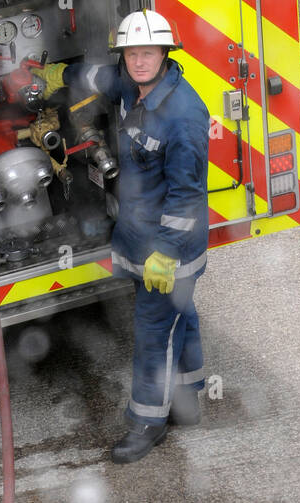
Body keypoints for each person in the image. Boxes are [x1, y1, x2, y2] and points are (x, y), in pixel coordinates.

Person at [31, 11, 210, 464]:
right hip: (138, 238)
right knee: (180, 315)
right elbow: (100, 77)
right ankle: (187, 400)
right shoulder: (135, 86)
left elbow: (187, 196)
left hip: (166, 249)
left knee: (153, 331)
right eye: (132, 52)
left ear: (165, 53)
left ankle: (147, 423)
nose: (139, 61)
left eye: (148, 52)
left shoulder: (183, 114)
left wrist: (166, 254)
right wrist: (59, 74)